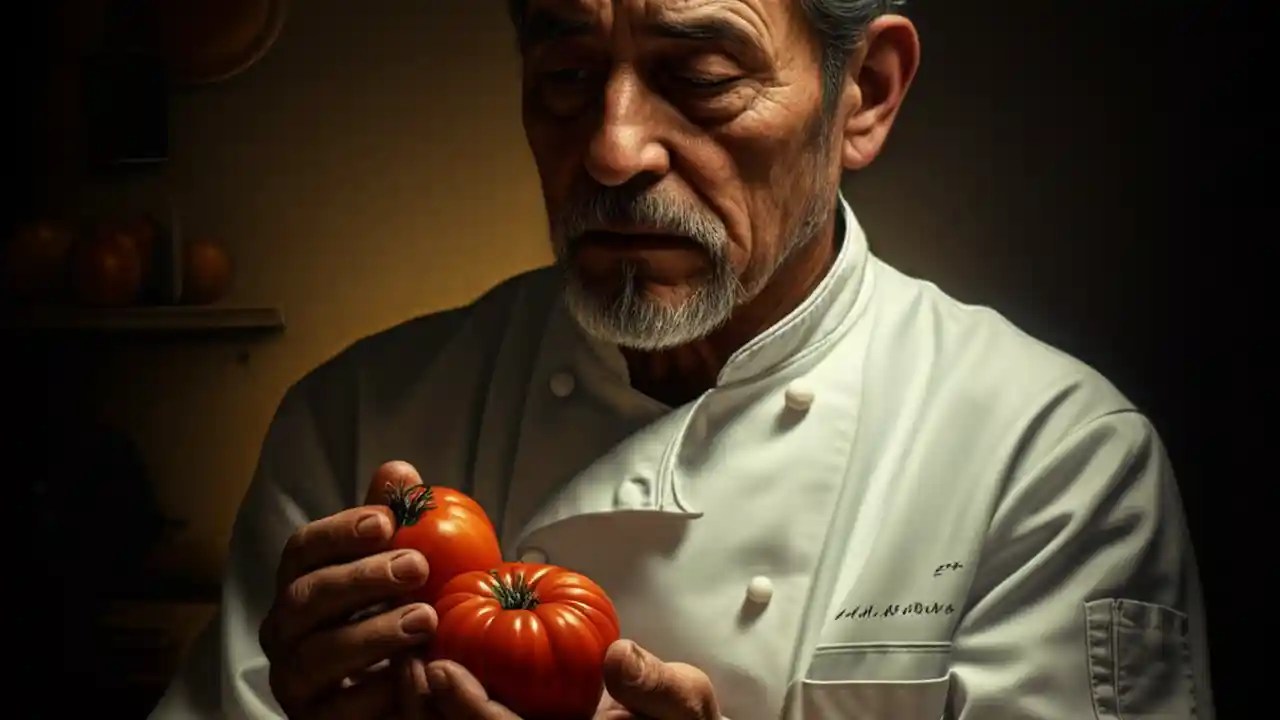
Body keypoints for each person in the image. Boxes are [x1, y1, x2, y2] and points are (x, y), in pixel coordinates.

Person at [150, 0, 1215, 718]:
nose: (613, 148)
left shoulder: (1052, 461)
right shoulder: (356, 426)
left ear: (866, 94)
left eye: (698, 77)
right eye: (565, 74)